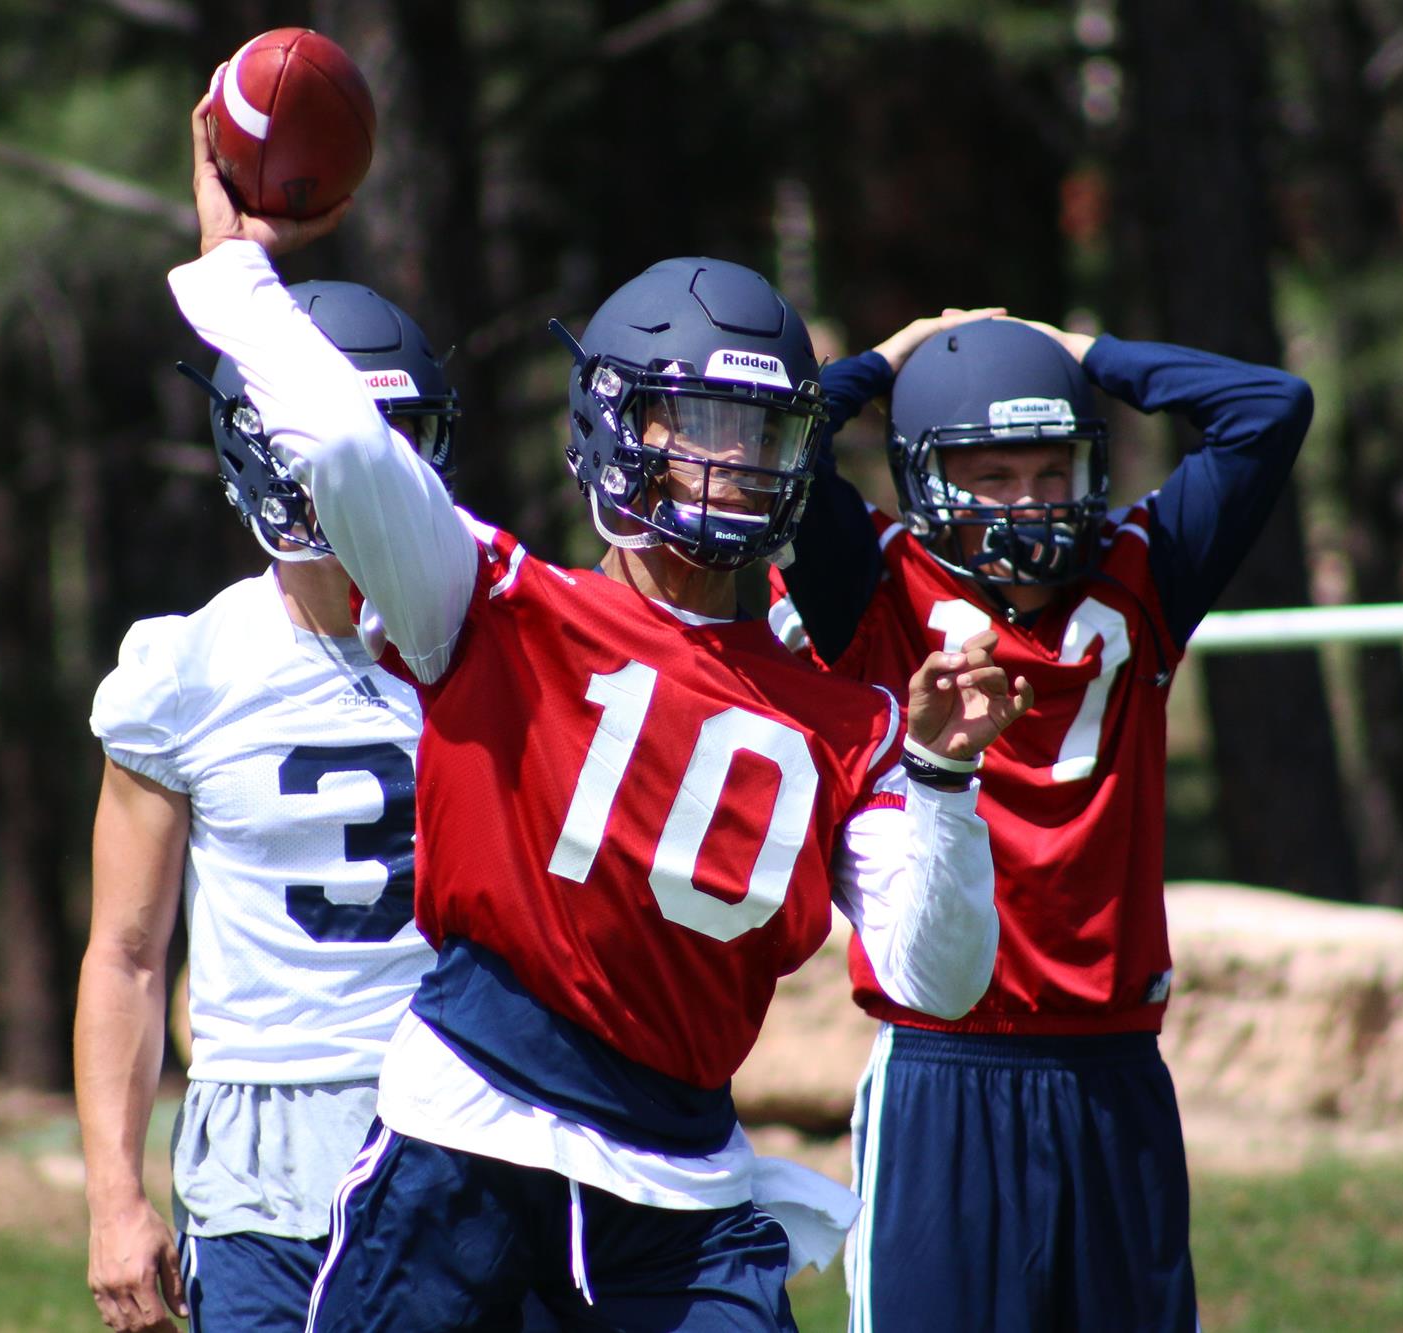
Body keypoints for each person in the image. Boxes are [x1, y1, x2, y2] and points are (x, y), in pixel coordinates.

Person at [166, 84, 1029, 1331]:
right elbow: (350, 457)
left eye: (759, 433)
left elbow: (935, 978)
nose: (733, 463)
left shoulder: (848, 722)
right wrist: (238, 276)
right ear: (617, 430)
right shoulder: (498, 602)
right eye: (700, 427)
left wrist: (947, 779)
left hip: (678, 1190)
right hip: (465, 1140)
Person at [770, 311, 1314, 1330]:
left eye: (1050, 470)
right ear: (924, 477)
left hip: (1113, 1062)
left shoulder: (1147, 567)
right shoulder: (869, 581)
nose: (1029, 501)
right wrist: (888, 361)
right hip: (945, 1056)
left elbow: (1268, 408)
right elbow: (780, 436)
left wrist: (1083, 354)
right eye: (991, 475)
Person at [73, 277, 459, 1332]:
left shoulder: (494, 638)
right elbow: (126, 952)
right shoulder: (187, 668)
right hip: (261, 1143)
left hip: (460, 1113)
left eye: (393, 443)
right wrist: (115, 1199)